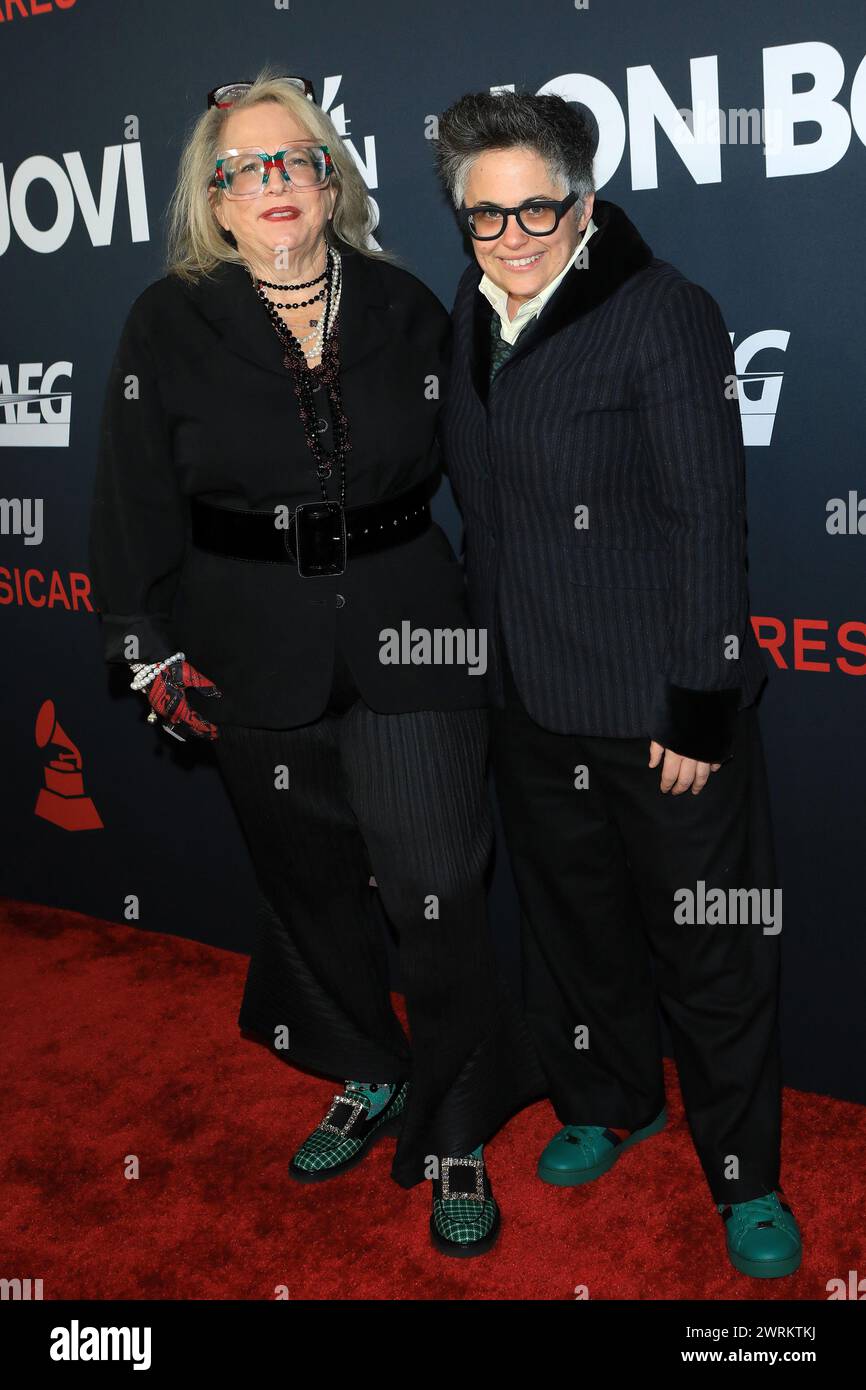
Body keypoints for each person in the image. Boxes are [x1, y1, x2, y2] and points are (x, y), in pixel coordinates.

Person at [89, 68, 545, 1258]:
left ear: (330, 179)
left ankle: (453, 1121)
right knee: (307, 888)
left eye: (293, 159)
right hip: (246, 649)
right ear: (217, 203)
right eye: (244, 169)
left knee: (436, 885)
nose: (272, 182)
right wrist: (144, 651)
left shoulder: (405, 305)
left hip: (413, 628)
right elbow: (132, 503)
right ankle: (363, 1065)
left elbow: (484, 471)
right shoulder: (167, 323)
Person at [434, 89, 802, 1279]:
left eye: (537, 205)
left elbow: (708, 516)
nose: (515, 233)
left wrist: (697, 701)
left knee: (713, 952)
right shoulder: (469, 314)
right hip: (533, 705)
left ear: (582, 199)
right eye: (485, 216)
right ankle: (609, 1099)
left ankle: (743, 1175)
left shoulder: (661, 312)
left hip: (660, 718)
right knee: (575, 930)